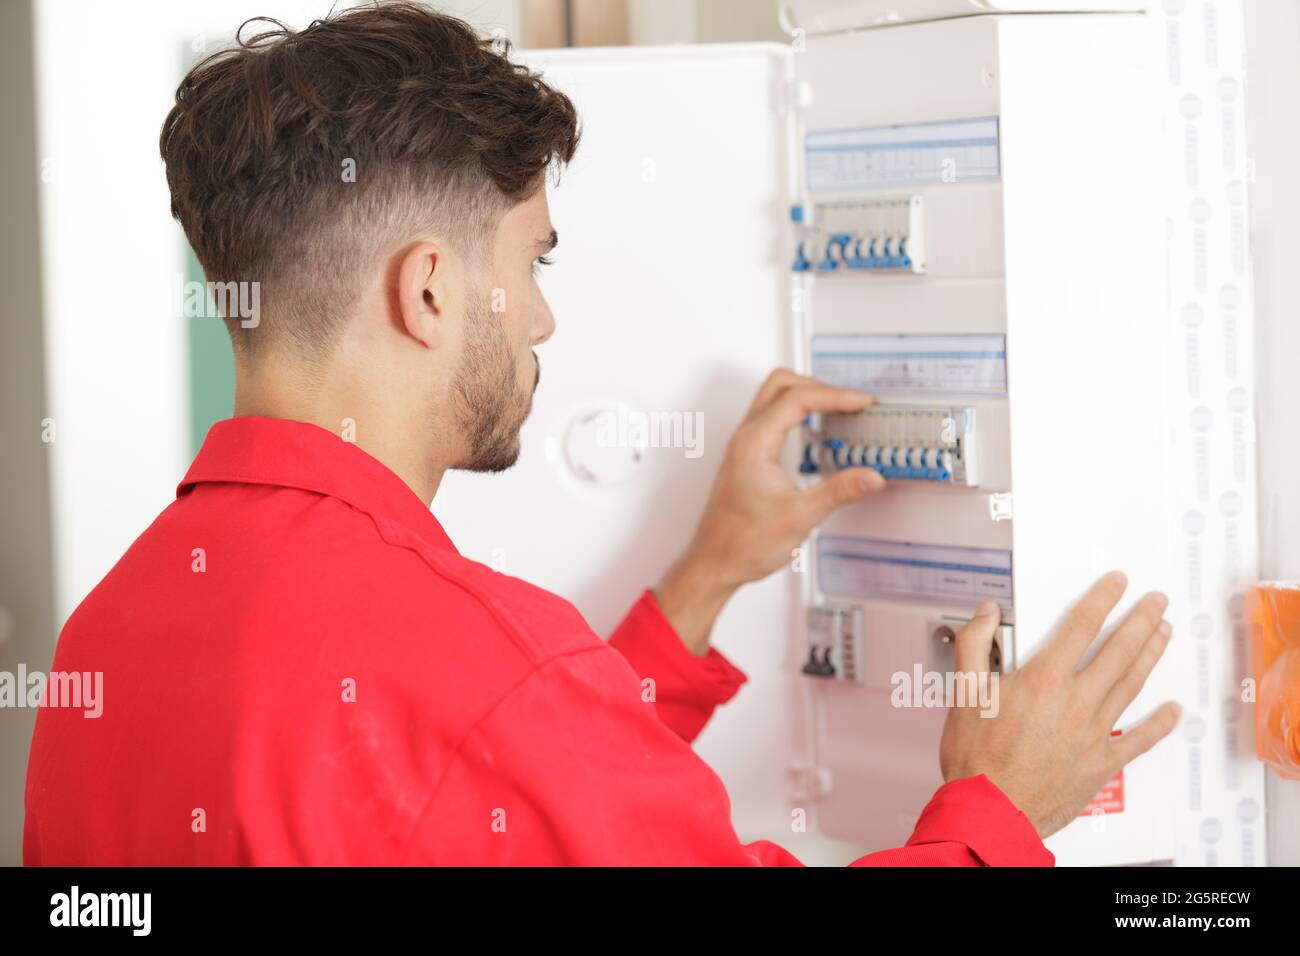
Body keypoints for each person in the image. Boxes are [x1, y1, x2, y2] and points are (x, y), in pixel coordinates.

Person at [23, 1, 1180, 866]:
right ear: (428, 291)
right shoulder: (484, 669)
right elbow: (484, 741)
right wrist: (999, 811)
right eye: (530, 263)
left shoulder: (109, 633)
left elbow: (481, 803)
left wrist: (705, 579)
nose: (541, 317)